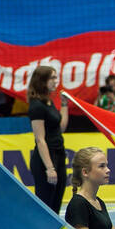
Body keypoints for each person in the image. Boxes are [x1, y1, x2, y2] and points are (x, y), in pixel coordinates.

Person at [26, 65, 69, 212]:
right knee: (46, 206)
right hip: (46, 158)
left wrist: (64, 104)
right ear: (41, 81)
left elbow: (61, 128)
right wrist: (49, 168)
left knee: (56, 204)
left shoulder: (49, 103)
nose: (56, 81)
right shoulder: (36, 106)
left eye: (56, 77)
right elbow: (40, 139)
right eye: (52, 78)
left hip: (59, 154)